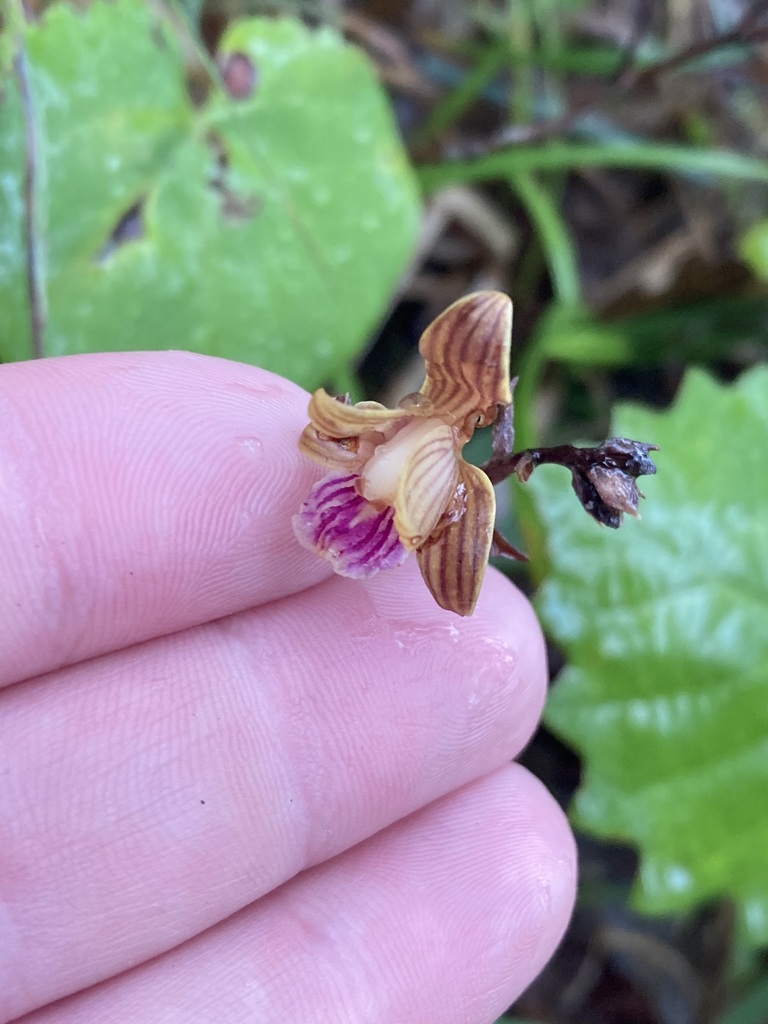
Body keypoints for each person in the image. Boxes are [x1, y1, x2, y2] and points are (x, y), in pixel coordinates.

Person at [0, 351, 575, 1024]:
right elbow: (327, 438)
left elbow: (454, 586)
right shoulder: (421, 462)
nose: (374, 491)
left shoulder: (461, 491)